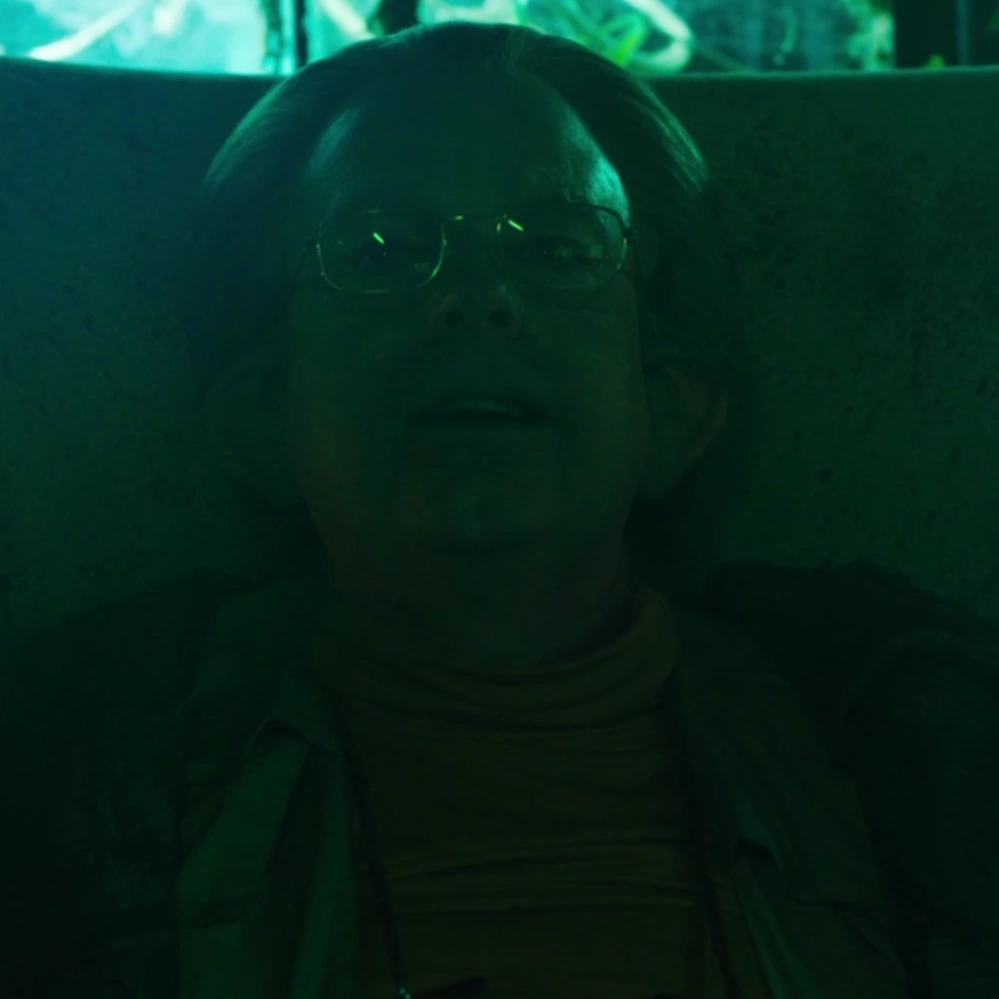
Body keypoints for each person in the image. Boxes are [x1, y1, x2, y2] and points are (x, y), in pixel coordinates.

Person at [3, 19, 997, 999]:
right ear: (261, 414)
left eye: (559, 248)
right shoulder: (67, 758)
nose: (477, 295)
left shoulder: (916, 729)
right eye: (381, 248)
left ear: (671, 407)